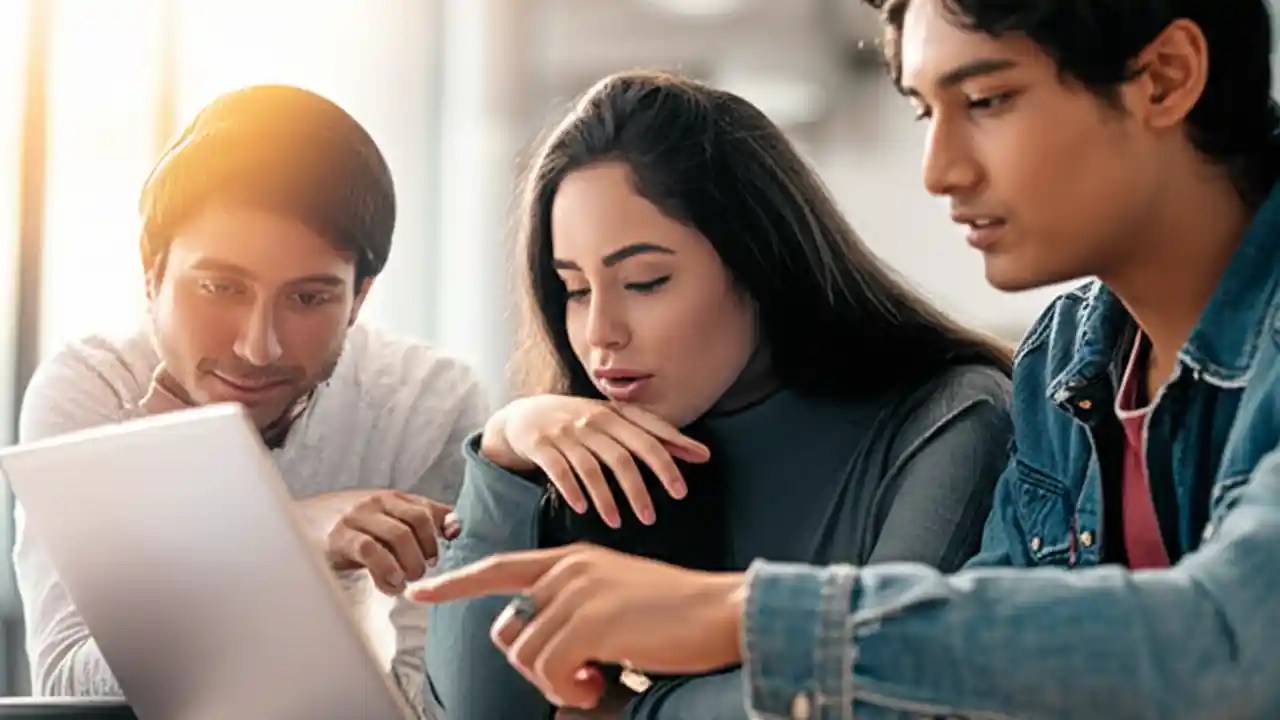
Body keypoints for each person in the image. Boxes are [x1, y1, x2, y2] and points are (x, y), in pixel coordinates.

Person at [413, 1, 1280, 717]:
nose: (937, 170)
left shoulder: (959, 412)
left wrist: (733, 622)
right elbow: (955, 687)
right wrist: (507, 450)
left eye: (987, 102)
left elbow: (1235, 637)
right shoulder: (1067, 365)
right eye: (922, 112)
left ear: (1165, 77)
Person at [423, 70, 1015, 720]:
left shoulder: (950, 416)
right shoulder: (599, 455)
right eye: (575, 289)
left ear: (759, 263)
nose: (600, 335)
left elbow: (882, 692)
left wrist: (630, 711)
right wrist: (507, 455)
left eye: (646, 281)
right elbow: (474, 714)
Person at [14, 85, 487, 717]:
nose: (258, 347)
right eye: (219, 287)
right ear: (151, 272)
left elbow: (438, 707)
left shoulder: (428, 408)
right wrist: (292, 539)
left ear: (360, 298)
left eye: (309, 298)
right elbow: (73, 687)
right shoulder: (92, 393)